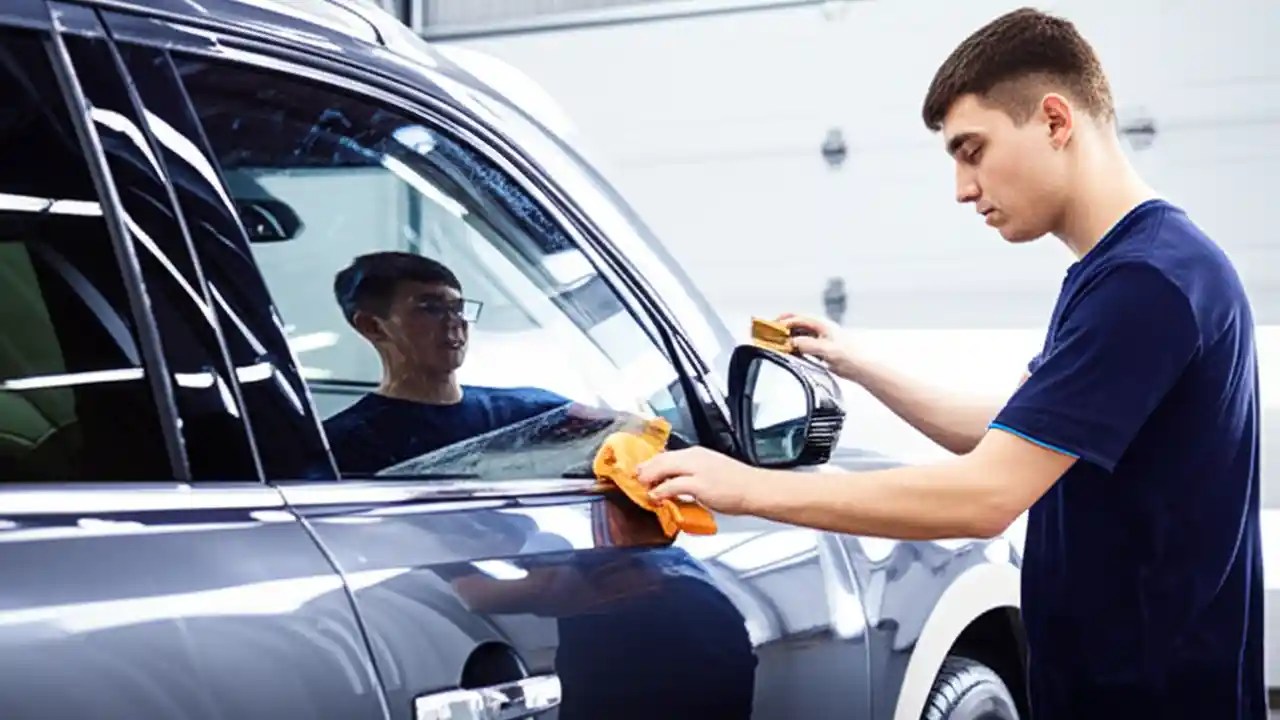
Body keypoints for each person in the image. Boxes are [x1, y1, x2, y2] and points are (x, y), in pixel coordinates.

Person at [637, 7, 1264, 719]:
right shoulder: (1135, 268)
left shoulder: (1145, 285)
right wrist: (858, 363)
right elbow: (1008, 431)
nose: (963, 189)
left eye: (973, 150)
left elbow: (984, 497)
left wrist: (746, 489)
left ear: (1056, 121)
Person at [324, 251, 572, 475]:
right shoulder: (345, 443)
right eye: (430, 308)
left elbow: (607, 436)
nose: (455, 322)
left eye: (459, 309)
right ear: (373, 326)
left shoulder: (528, 412)